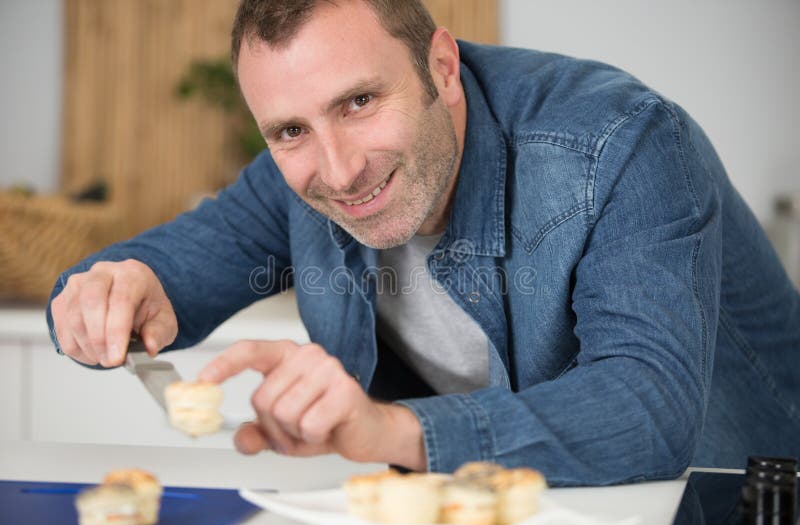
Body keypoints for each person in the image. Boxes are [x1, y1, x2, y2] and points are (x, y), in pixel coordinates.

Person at [47, 0, 800, 486]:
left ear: (441, 68)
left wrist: (391, 432)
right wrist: (107, 294)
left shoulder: (622, 142)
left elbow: (648, 407)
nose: (338, 171)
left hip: (728, 501)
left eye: (360, 101)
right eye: (291, 129)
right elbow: (159, 271)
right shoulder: (299, 176)